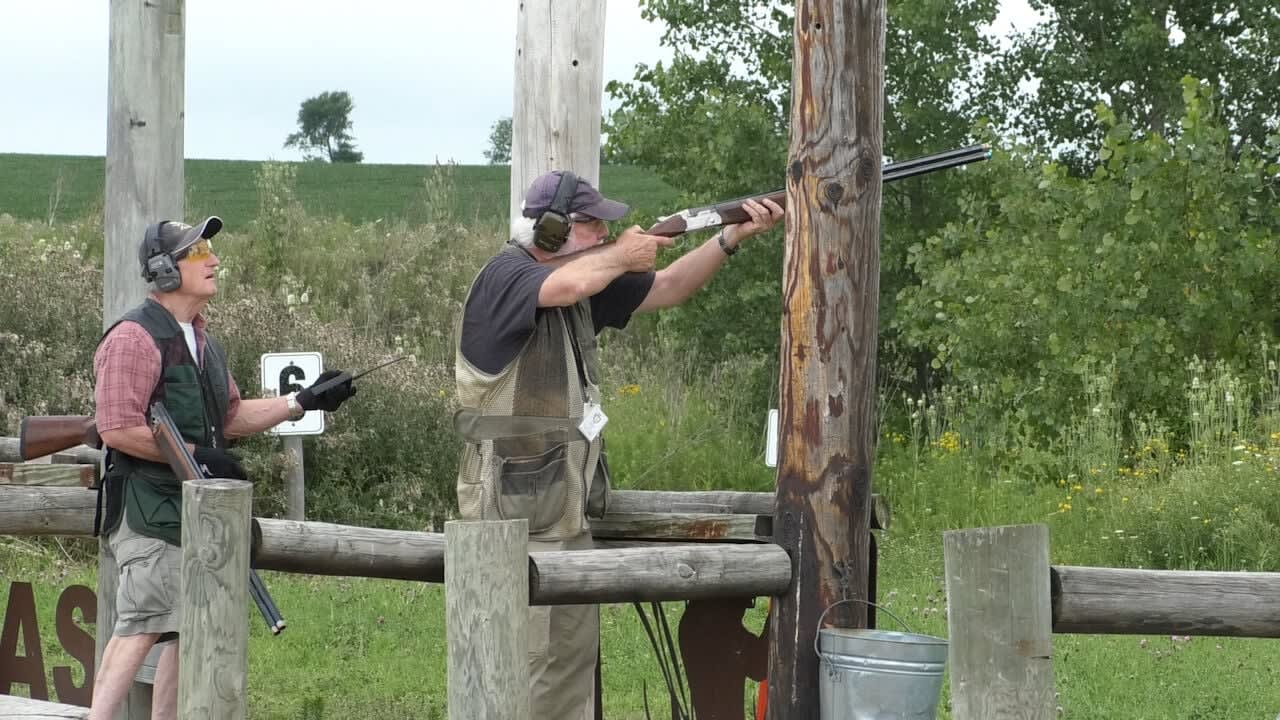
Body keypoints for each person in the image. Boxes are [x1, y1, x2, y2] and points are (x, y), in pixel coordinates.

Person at [453, 170, 783, 718]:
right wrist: (625, 254)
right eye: (594, 225)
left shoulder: (582, 284)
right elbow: (565, 285)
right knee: (524, 670)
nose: (607, 233)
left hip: (563, 518)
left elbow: (670, 286)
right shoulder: (505, 276)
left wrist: (730, 237)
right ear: (553, 231)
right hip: (513, 524)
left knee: (566, 667)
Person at [88, 217, 356, 720]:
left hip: (192, 508)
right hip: (148, 508)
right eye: (198, 252)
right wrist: (193, 453)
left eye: (209, 249)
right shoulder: (134, 337)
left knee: (188, 627)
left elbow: (230, 416)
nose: (212, 259)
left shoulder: (203, 342)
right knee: (142, 624)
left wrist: (302, 400)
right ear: (165, 269)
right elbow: (118, 428)